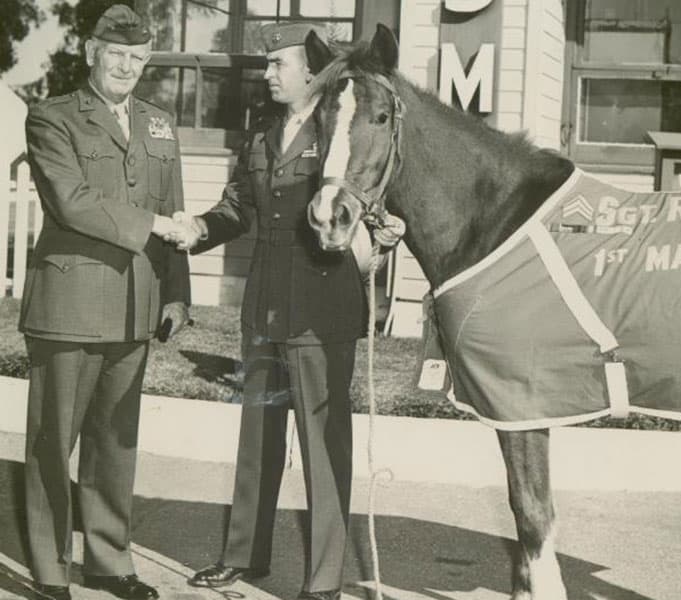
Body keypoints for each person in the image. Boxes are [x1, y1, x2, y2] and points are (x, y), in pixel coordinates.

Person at [172, 23, 400, 600]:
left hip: (322, 314)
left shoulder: (339, 140)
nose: (268, 74)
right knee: (257, 437)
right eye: (268, 65)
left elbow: (373, 202)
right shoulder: (262, 137)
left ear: (311, 73)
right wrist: (199, 228)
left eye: (279, 65)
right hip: (265, 312)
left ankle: (323, 581)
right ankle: (245, 555)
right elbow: (237, 208)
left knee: (325, 447)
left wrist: (385, 229)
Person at [19, 5, 192, 600]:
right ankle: (47, 569)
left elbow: (175, 206)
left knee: (115, 443)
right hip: (69, 304)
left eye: (139, 58)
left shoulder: (159, 124)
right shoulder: (53, 117)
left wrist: (176, 294)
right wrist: (159, 227)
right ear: (92, 52)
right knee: (52, 441)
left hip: (135, 307)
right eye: (116, 54)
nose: (127, 66)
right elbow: (72, 201)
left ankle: (108, 561)